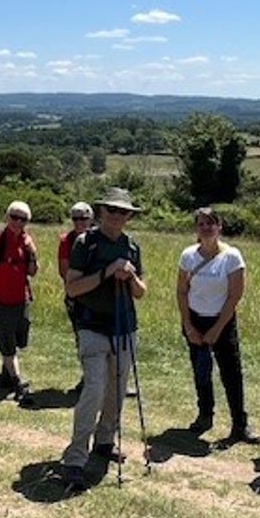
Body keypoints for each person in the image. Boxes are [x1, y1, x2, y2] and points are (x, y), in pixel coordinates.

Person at [60, 188, 146, 491]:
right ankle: (74, 458)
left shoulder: (132, 246)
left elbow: (141, 292)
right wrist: (108, 272)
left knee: (117, 391)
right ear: (101, 211)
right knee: (94, 390)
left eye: (123, 212)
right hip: (91, 326)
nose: (117, 216)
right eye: (112, 210)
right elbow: (72, 288)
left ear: (129, 216)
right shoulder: (86, 243)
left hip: (124, 327)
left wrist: (131, 277)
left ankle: (105, 441)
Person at [176, 207, 260, 446]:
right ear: (196, 228)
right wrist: (189, 326)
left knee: (231, 374)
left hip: (222, 321)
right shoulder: (188, 256)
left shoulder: (232, 257)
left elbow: (235, 296)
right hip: (195, 319)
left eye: (211, 223)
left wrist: (217, 329)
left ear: (219, 227)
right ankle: (204, 417)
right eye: (202, 224)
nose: (206, 228)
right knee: (201, 371)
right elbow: (181, 291)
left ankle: (240, 425)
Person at [0, 200, 38, 406]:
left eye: (23, 219)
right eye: (14, 217)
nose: (18, 222)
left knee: (20, 338)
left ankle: (5, 376)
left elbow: (32, 272)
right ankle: (17, 383)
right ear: (7, 217)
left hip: (20, 299)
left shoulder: (26, 242)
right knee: (7, 342)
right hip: (0, 300)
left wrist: (32, 252)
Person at [58, 201, 94, 392]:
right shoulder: (67, 241)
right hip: (77, 298)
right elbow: (64, 271)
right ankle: (87, 376)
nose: (79, 222)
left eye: (84, 218)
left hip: (100, 298)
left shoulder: (98, 238)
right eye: (76, 218)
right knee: (83, 337)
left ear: (91, 219)